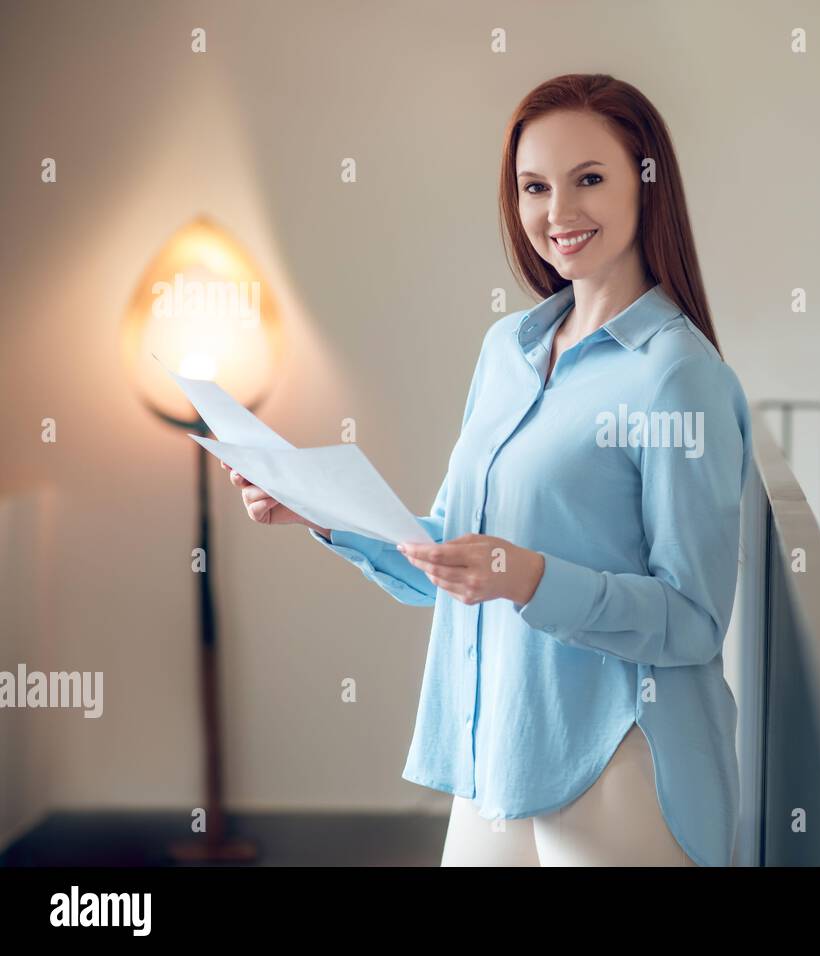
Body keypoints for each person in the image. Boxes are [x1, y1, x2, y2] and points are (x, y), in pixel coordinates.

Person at [224, 73, 752, 867]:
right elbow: (453, 554)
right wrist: (321, 511)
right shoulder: (507, 351)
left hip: (622, 758)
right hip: (496, 746)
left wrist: (532, 577)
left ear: (648, 187)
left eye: (590, 180)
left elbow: (693, 618)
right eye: (535, 186)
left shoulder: (678, 376)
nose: (559, 213)